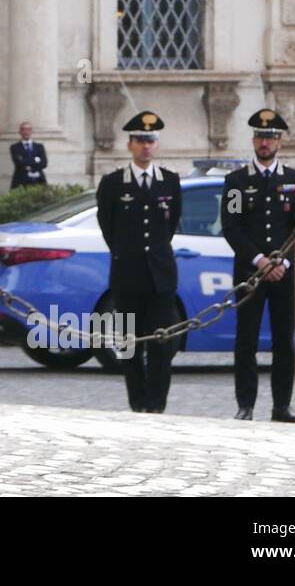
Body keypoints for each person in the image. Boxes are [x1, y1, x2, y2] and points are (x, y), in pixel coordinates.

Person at [221, 109, 295, 422]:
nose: (265, 143)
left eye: (270, 137)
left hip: (284, 274)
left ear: (279, 141)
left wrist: (282, 261)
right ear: (253, 140)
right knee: (246, 341)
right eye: (260, 136)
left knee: (284, 341)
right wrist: (259, 261)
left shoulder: (294, 180)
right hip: (250, 274)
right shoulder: (236, 181)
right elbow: (231, 227)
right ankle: (245, 405)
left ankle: (281, 406)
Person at [95, 110, 181, 413]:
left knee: (161, 343)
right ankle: (137, 402)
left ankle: (157, 404)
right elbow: (107, 226)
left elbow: (170, 225)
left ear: (157, 145)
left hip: (160, 276)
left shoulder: (169, 181)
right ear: (130, 144)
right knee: (129, 343)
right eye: (140, 141)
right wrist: (126, 252)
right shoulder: (113, 183)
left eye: (151, 141)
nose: (146, 146)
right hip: (127, 276)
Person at [9, 121, 47, 189]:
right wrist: (36, 160)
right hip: (20, 182)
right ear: (20, 132)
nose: (26, 132)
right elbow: (19, 163)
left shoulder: (39, 147)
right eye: (23, 129)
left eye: (28, 129)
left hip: (38, 181)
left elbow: (44, 163)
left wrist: (25, 161)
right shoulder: (15, 147)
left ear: (31, 131)